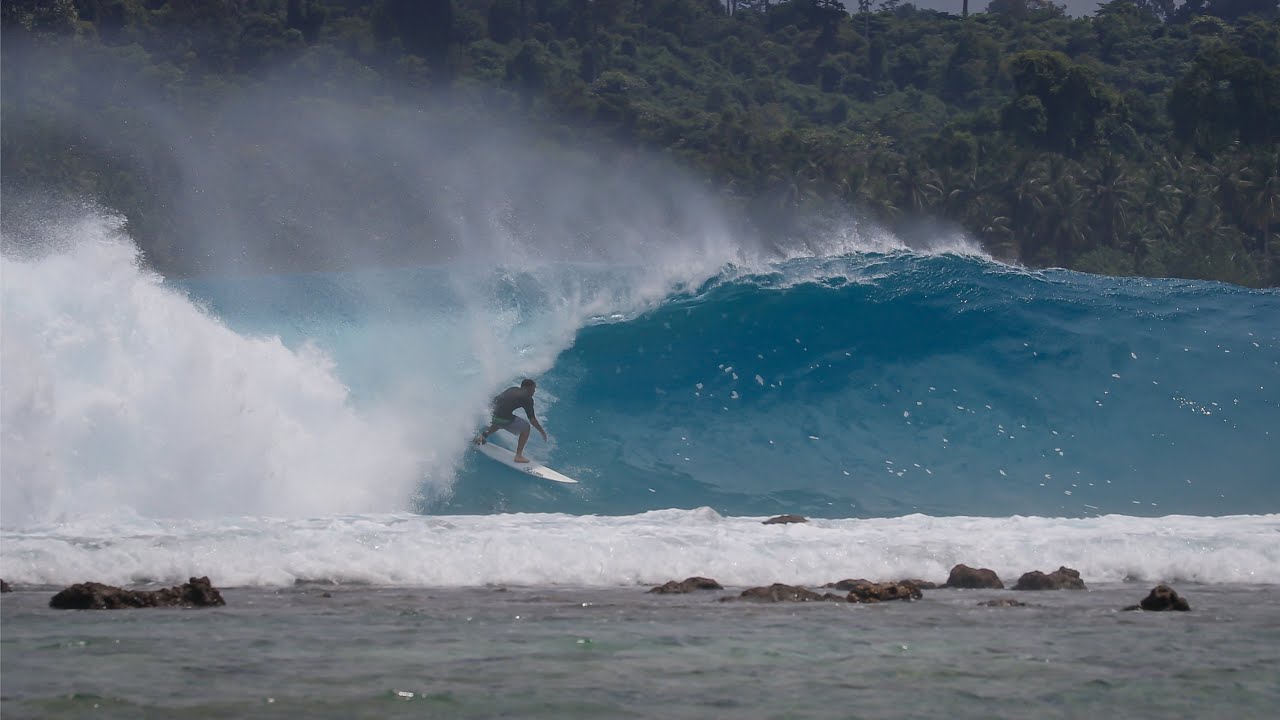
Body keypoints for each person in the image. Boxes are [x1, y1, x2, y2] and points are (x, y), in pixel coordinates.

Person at [474, 378, 547, 463]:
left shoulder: (512, 389)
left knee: (499, 423)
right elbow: (532, 419)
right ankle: (518, 456)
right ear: (528, 388)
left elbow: (496, 399)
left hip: (494, 414)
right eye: (533, 389)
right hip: (502, 417)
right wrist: (542, 432)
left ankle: (481, 437)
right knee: (526, 428)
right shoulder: (528, 398)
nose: (534, 391)